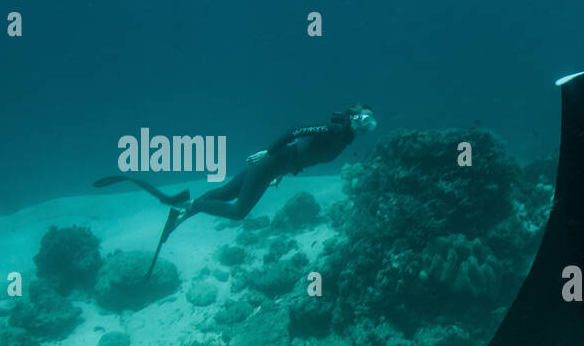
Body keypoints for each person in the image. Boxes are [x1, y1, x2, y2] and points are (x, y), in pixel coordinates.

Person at [95, 105, 377, 276]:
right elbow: (295, 132)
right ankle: (190, 205)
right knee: (239, 211)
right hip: (268, 163)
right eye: (363, 120)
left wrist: (285, 172)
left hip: (275, 169)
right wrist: (268, 153)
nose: (366, 125)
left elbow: (307, 156)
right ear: (352, 118)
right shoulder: (332, 130)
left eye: (369, 122)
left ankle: (180, 212)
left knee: (227, 194)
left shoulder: (342, 140)